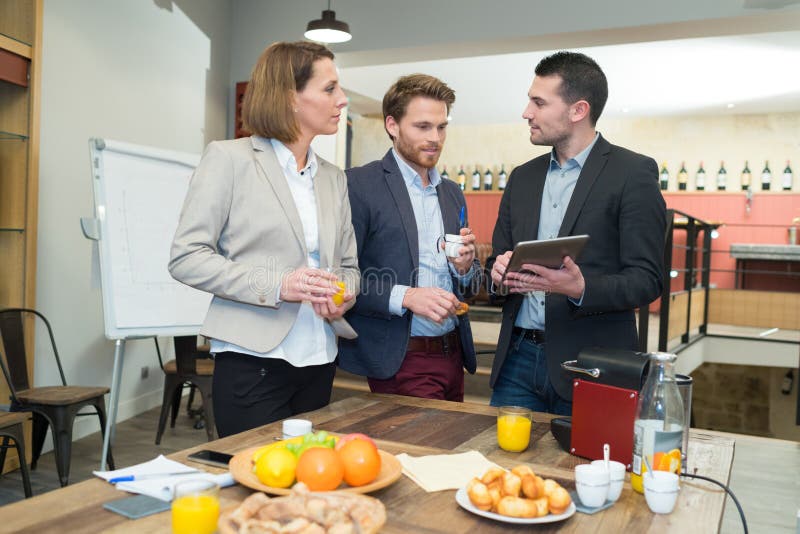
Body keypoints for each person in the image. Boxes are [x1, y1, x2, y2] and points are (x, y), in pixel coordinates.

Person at [169, 41, 359, 437]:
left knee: (308, 487)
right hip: (251, 359)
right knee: (255, 482)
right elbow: (186, 257)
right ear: (291, 97)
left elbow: (350, 268)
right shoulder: (229, 159)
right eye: (329, 89)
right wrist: (279, 285)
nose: (342, 100)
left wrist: (344, 292)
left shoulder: (334, 177)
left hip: (320, 358)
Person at [487, 51, 666, 415]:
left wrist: (580, 289)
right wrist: (497, 274)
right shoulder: (522, 177)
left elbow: (648, 280)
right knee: (502, 471)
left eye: (538, 102)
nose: (526, 113)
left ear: (578, 110)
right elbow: (497, 261)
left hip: (592, 366)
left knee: (585, 472)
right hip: (516, 362)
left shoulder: (633, 173)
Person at [339, 74, 482, 401]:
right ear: (392, 125)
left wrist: (466, 267)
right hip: (401, 358)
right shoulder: (359, 185)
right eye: (423, 127)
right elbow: (339, 278)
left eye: (442, 127)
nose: (435, 138)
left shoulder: (452, 194)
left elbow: (467, 283)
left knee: (447, 453)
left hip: (454, 354)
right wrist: (405, 296)